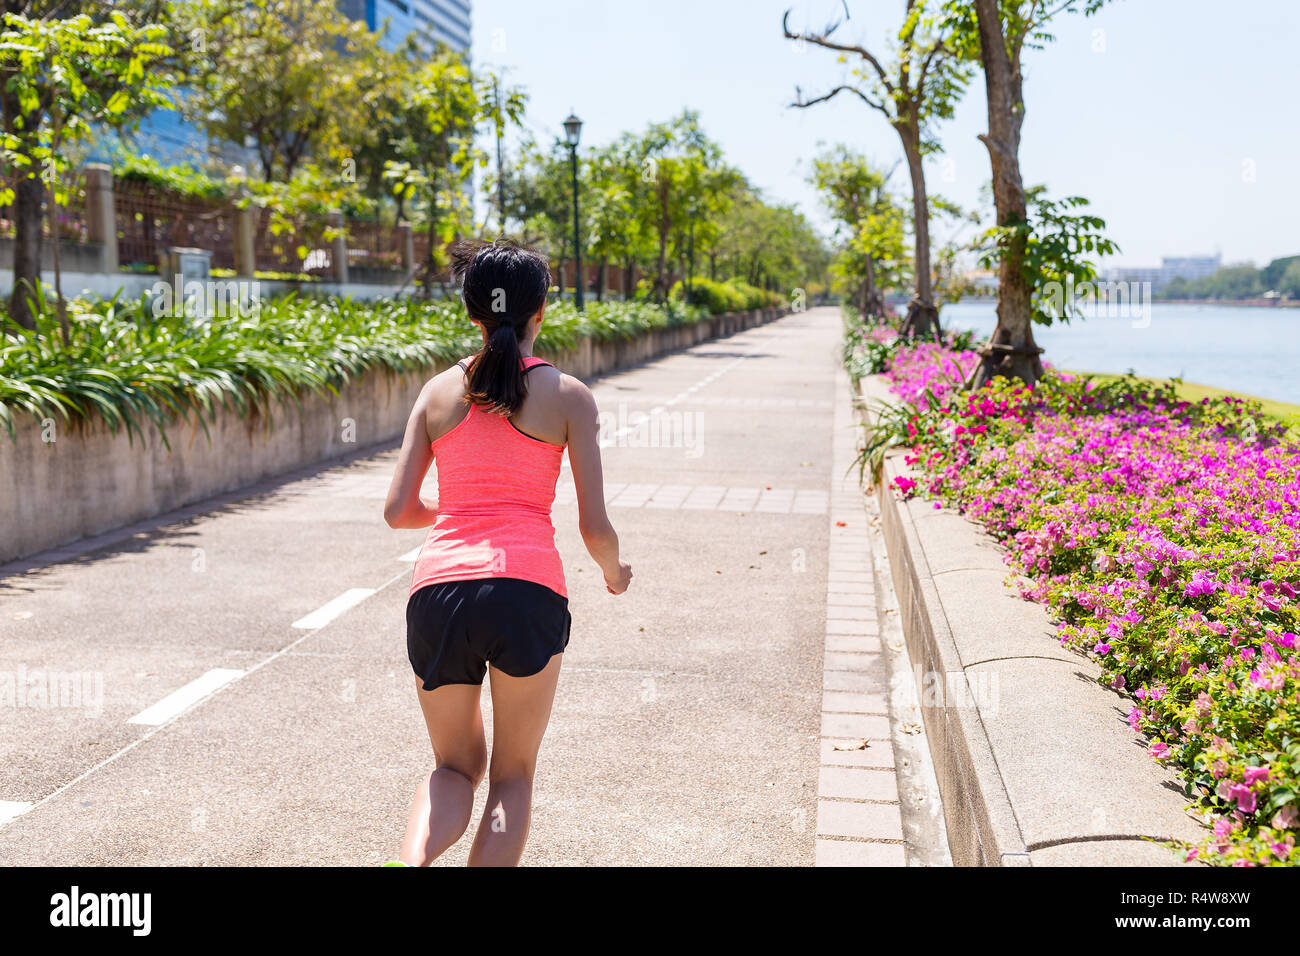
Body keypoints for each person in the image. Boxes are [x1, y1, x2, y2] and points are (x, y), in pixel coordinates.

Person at [383, 238, 632, 866]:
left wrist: (465, 512)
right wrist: (615, 572)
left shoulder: (439, 392)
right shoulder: (569, 395)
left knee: (453, 767)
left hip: (437, 595)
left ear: (472, 314)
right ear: (541, 309)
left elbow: (398, 512)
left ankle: (406, 863)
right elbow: (594, 528)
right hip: (527, 594)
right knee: (513, 776)